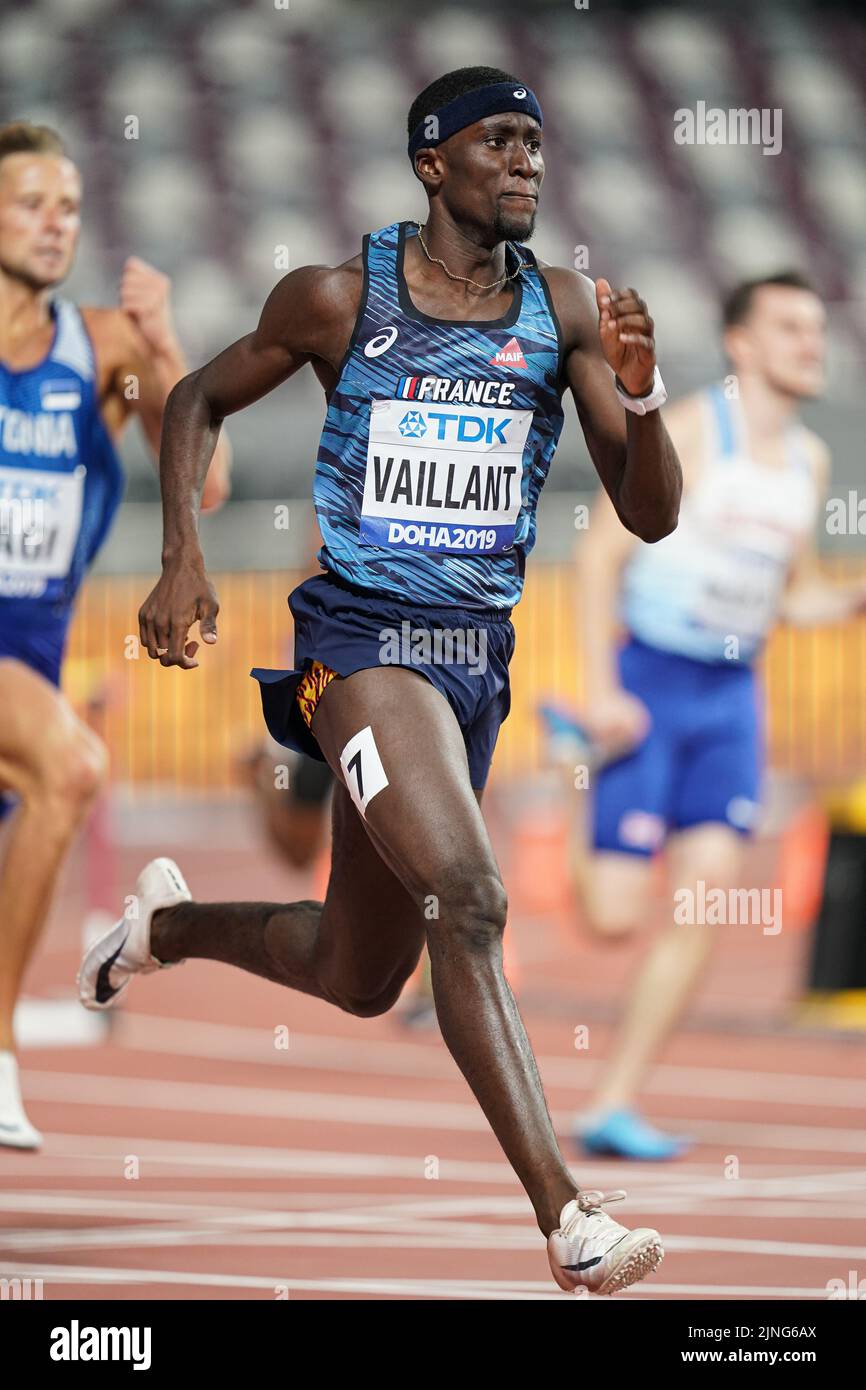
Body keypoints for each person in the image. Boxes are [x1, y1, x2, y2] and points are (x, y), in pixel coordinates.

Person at [79, 67, 681, 1293]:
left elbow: (651, 514)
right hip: (353, 645)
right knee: (468, 896)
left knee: (357, 976)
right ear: (430, 163)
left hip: (473, 664)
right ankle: (566, 1214)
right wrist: (181, 559)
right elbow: (194, 394)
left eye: (536, 145)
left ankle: (161, 924)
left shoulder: (561, 311)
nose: (526, 163)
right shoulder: (336, 296)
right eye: (498, 142)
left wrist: (638, 392)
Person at [568, 271, 865, 1160]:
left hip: (733, 700)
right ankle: (569, 755)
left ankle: (614, 1101)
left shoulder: (810, 460)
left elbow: (796, 594)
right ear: (741, 343)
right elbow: (594, 558)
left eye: (817, 329)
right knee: (614, 915)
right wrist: (598, 689)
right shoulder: (695, 427)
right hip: (649, 682)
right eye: (789, 328)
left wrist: (849, 600)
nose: (810, 344)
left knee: (699, 904)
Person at [0, 121, 230, 1149]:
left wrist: (169, 341)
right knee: (73, 764)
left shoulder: (109, 351)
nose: (57, 225)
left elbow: (207, 486)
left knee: (56, 768)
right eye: (31, 204)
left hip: (29, 657)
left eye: (71, 208)